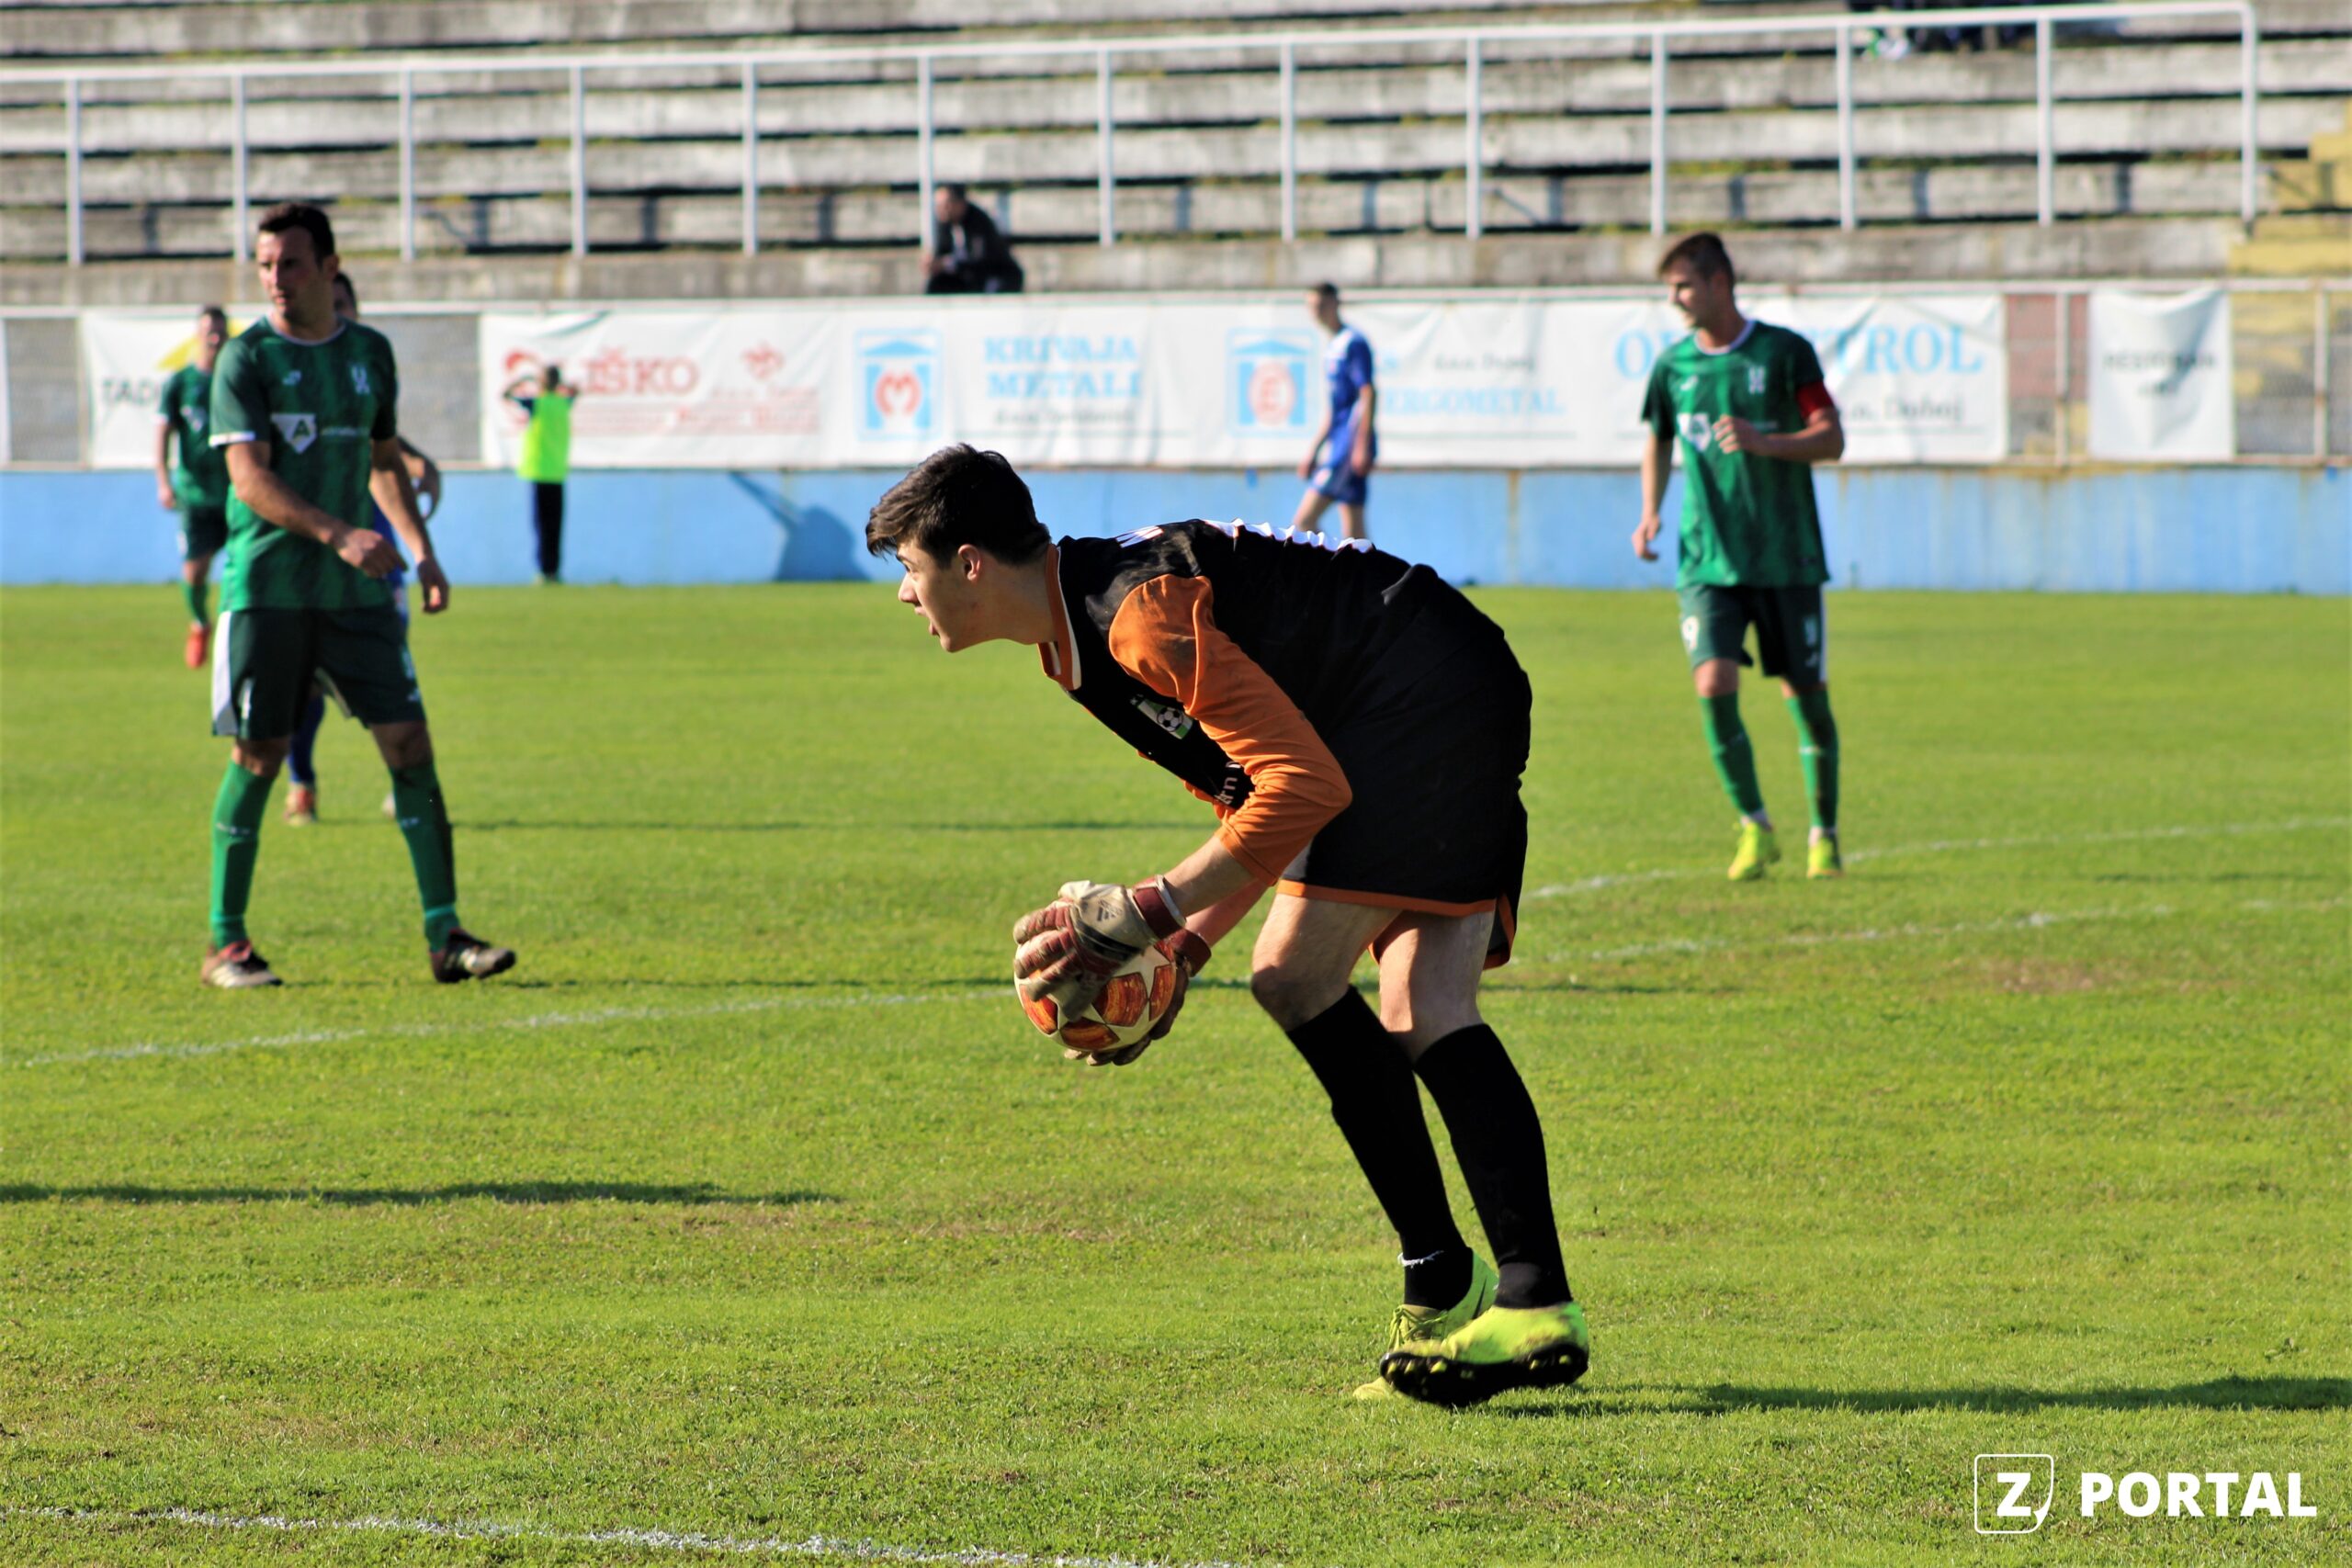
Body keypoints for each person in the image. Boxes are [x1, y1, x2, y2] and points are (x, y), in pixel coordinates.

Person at [865, 446, 1587, 1407]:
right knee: (1422, 1000)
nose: (904, 597)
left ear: (967, 563)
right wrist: (1185, 949)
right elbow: (1255, 793)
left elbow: (1304, 786)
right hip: (1436, 680)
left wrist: (1149, 910)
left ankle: (1460, 1284)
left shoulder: (1132, 621)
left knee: (1295, 975)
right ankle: (1512, 1299)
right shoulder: (1073, 632)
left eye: (908, 568)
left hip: (1419, 693)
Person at [200, 201, 514, 988]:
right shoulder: (246, 361)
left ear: (330, 269)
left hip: (360, 595)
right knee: (261, 754)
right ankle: (225, 943)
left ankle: (446, 935)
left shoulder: (370, 353)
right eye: (265, 264)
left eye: (291, 263)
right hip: (269, 588)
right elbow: (248, 477)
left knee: (410, 745)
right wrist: (340, 533)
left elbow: (384, 460)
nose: (275, 279)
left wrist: (423, 549)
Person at [1633, 232, 1848, 882]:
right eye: (1671, 287)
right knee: (1712, 681)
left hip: (1786, 556)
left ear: (1720, 283)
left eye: (1684, 286)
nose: (1675, 299)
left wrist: (1764, 441)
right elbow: (1659, 438)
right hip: (1707, 559)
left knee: (1805, 697)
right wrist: (1649, 510)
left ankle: (1825, 833)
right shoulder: (1673, 367)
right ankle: (1754, 824)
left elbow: (1832, 438)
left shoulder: (1783, 352)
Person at [284, 270, 444, 827]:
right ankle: (301, 784)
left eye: (345, 304)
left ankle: (411, 803)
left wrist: (423, 471)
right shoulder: (283, 372)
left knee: (396, 702)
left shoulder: (366, 366)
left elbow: (384, 444)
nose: (338, 313)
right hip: (304, 570)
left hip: (376, 568)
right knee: (286, 709)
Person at [155, 305, 232, 669]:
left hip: (237, 493)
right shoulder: (181, 383)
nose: (215, 338)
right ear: (198, 336)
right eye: (208, 332)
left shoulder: (235, 380)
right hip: (195, 493)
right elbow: (163, 432)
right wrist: (163, 481)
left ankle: (238, 628)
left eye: (220, 331)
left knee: (246, 565)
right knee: (195, 570)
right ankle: (200, 624)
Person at [1292, 283, 1376, 542]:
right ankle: (1374, 582)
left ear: (1335, 304)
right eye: (1312, 307)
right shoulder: (1333, 346)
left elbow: (1368, 392)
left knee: (1304, 522)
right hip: (1340, 443)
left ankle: (1335, 575)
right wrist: (1314, 449)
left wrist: (1361, 444)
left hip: (1348, 447)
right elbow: (1335, 408)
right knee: (1355, 534)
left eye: (1320, 305)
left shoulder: (1353, 343)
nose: (1316, 312)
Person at [502, 363, 577, 584]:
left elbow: (505, 395)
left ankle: (544, 571)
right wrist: (559, 383)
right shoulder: (563, 403)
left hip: (540, 472)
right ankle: (553, 570)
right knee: (555, 526)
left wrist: (524, 379)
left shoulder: (537, 403)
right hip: (557, 472)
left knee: (542, 525)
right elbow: (576, 392)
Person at [922, 184, 1024, 295]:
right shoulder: (944, 223)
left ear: (960, 204)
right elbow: (942, 252)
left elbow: (977, 259)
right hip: (966, 276)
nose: (941, 210)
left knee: (993, 288)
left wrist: (946, 264)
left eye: (946, 205)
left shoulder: (979, 221)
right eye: (938, 206)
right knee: (936, 284)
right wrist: (933, 263)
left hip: (993, 273)